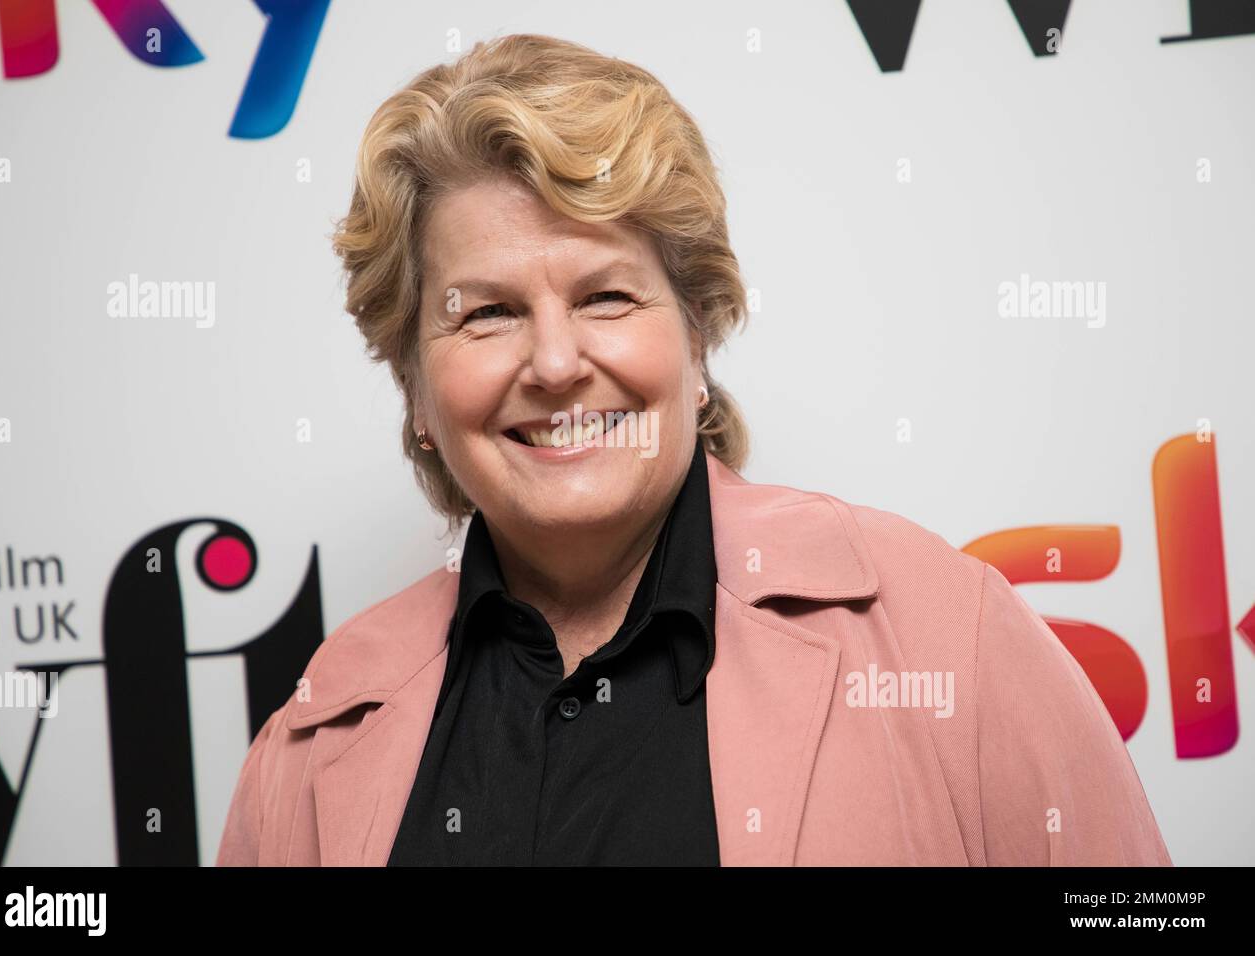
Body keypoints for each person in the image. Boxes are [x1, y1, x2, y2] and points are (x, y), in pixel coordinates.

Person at [216, 33, 1171, 866]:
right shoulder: (312, 737)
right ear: (415, 388)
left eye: (606, 297)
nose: (556, 364)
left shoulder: (947, 634)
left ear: (697, 340)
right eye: (488, 313)